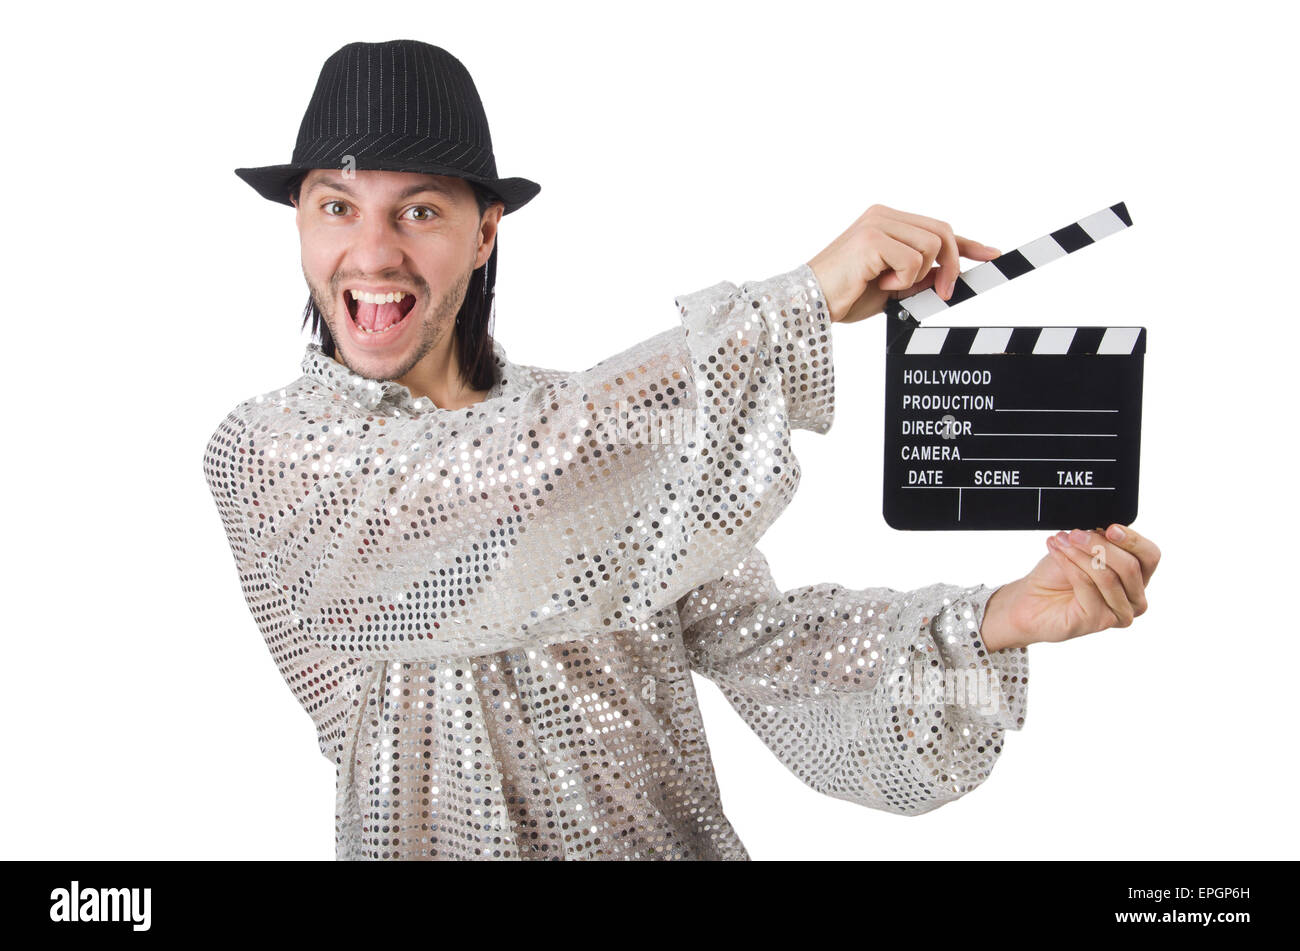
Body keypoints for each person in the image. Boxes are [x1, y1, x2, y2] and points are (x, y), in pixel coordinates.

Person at [204, 39, 1161, 860]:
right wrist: (794, 305)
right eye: (336, 206)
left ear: (485, 230)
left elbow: (760, 639)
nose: (371, 252)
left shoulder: (615, 447)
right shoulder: (269, 457)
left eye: (417, 210)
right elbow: (499, 497)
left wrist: (990, 621)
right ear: (299, 220)